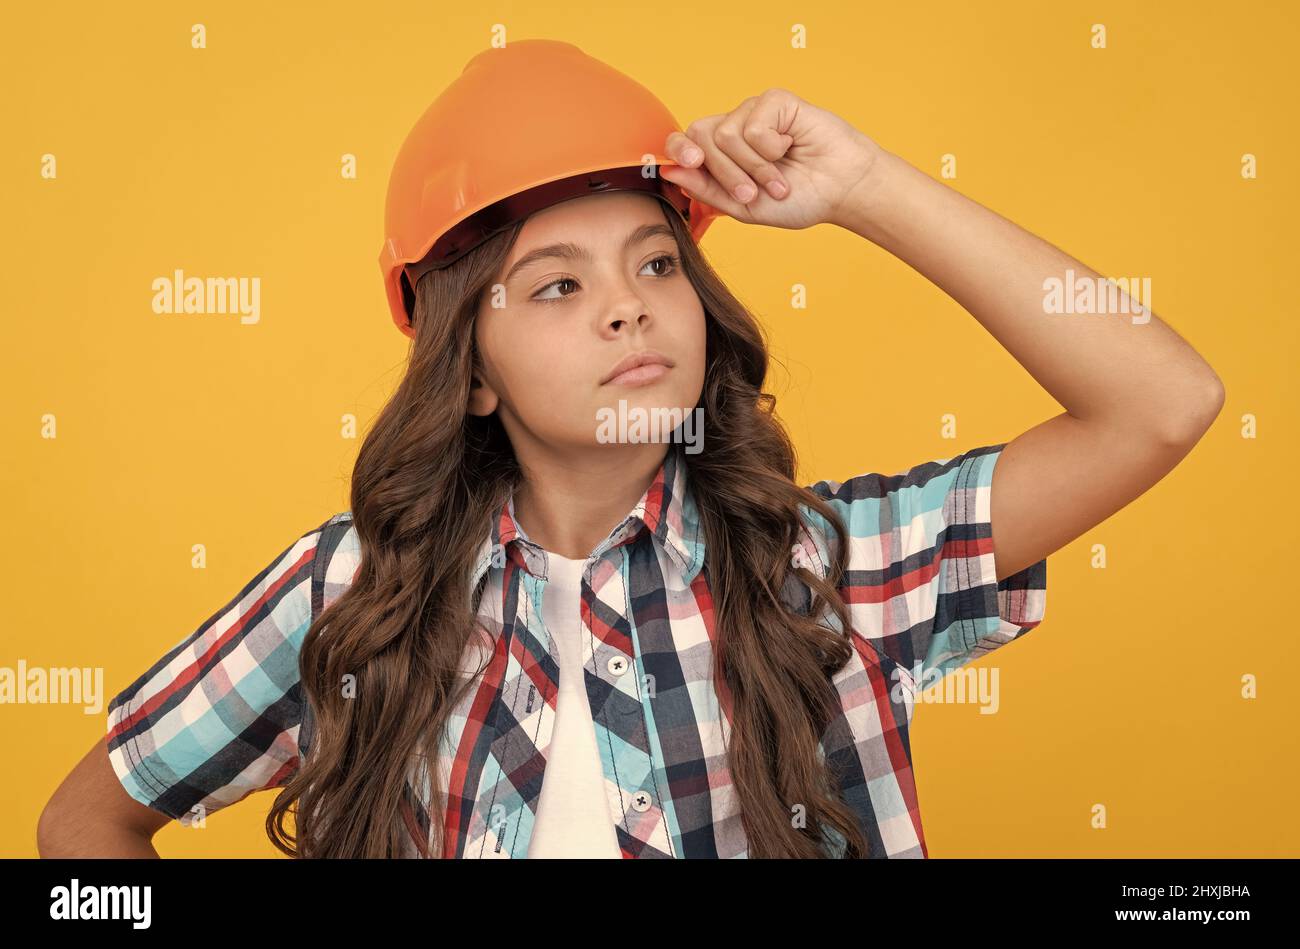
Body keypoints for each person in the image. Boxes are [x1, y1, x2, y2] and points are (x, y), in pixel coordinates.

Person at [39, 39, 1223, 859]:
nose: (627, 305)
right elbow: (83, 825)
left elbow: (1161, 401)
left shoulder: (828, 570)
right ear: (472, 372)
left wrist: (864, 185)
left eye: (656, 262)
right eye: (556, 285)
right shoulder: (350, 595)